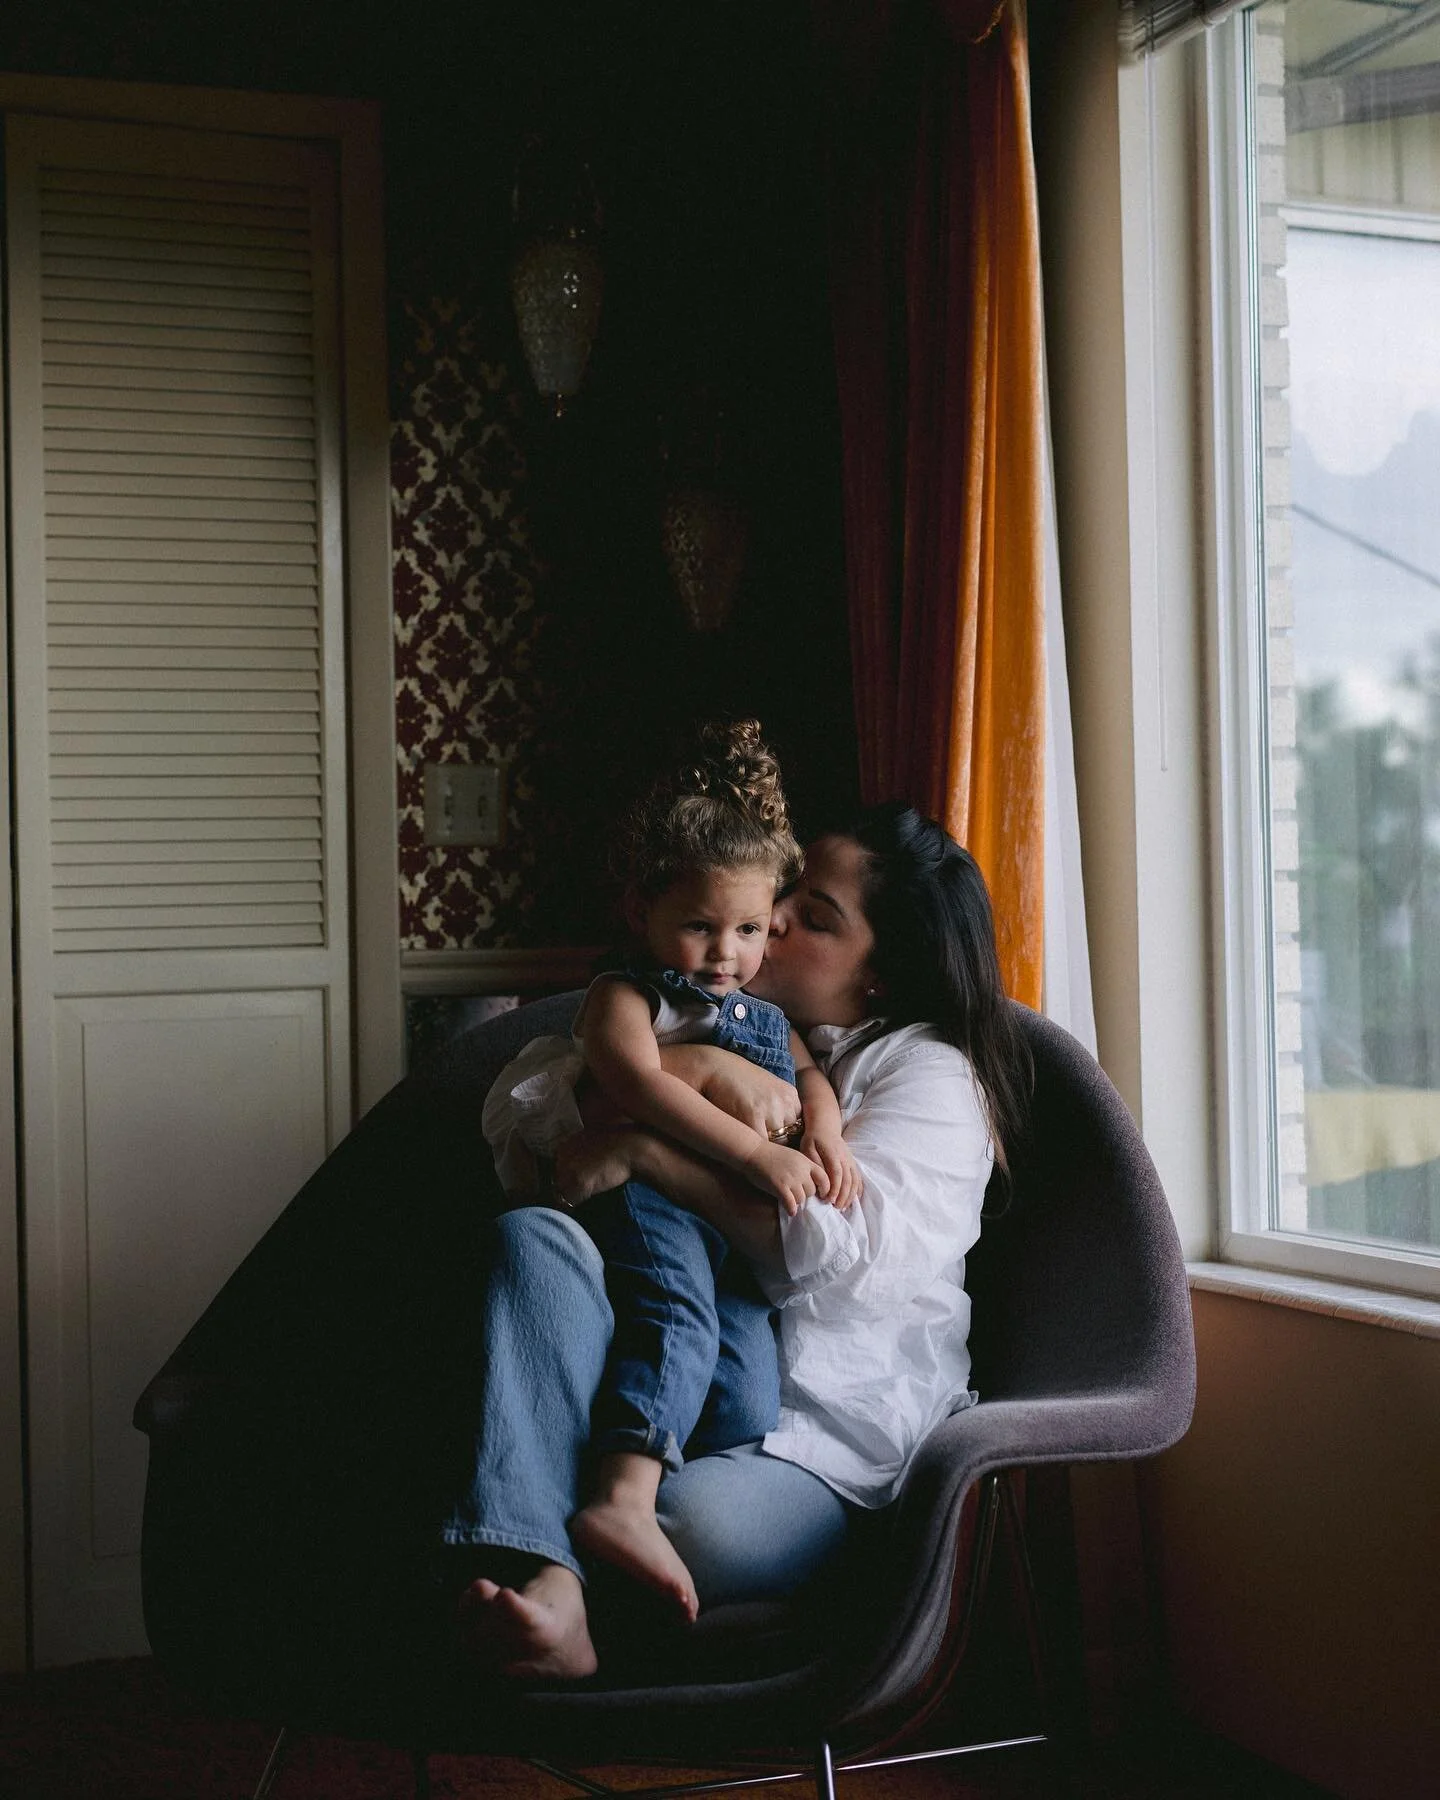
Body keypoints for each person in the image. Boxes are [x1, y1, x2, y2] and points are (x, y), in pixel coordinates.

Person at [441, 803, 1030, 1682]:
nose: (771, 918)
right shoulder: (699, 1007)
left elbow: (840, 1262)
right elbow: (528, 1121)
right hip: (642, 1359)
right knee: (533, 1238)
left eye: (815, 916)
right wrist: (694, 1071)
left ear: (882, 973)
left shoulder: (928, 1075)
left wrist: (645, 1145)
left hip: (806, 1434)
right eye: (786, 890)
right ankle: (557, 1585)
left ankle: (538, 1566)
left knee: (684, 1527)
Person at [480, 720, 860, 1621]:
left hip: (729, 1230)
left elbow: (806, 1073)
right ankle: (622, 1497)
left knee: (742, 1387)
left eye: (748, 929)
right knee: (675, 1317)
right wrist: (758, 1153)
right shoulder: (627, 995)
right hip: (648, 1203)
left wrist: (829, 1130)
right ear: (642, 911)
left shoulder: (756, 1007)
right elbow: (636, 1086)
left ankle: (617, 1460)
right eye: (698, 926)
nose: (726, 953)